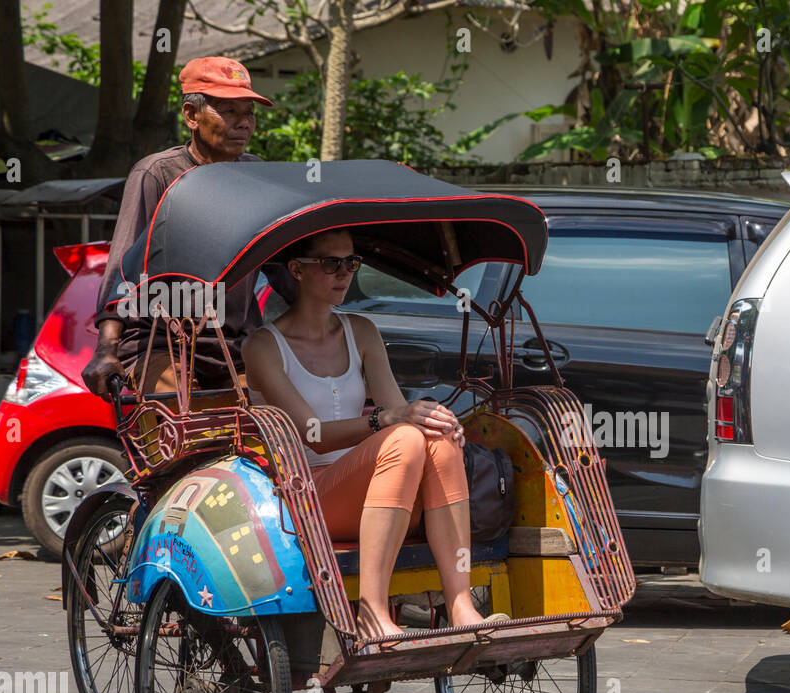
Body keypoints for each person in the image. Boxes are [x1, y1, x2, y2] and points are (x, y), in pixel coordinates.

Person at [243, 228, 504, 647]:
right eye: (330, 263)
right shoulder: (264, 346)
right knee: (404, 437)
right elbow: (314, 436)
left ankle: (460, 604)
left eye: (351, 262)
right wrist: (386, 419)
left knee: (435, 437)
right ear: (297, 269)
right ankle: (372, 612)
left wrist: (431, 419)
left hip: (380, 484)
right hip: (308, 497)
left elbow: (399, 414)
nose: (344, 273)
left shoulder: (360, 330)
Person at [82, 56, 292, 398]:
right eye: (229, 111)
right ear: (191, 116)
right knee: (189, 432)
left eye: (249, 113)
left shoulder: (258, 175)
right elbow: (123, 269)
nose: (244, 124)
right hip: (162, 343)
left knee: (270, 432)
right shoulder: (157, 174)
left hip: (236, 348)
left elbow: (283, 265)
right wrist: (106, 349)